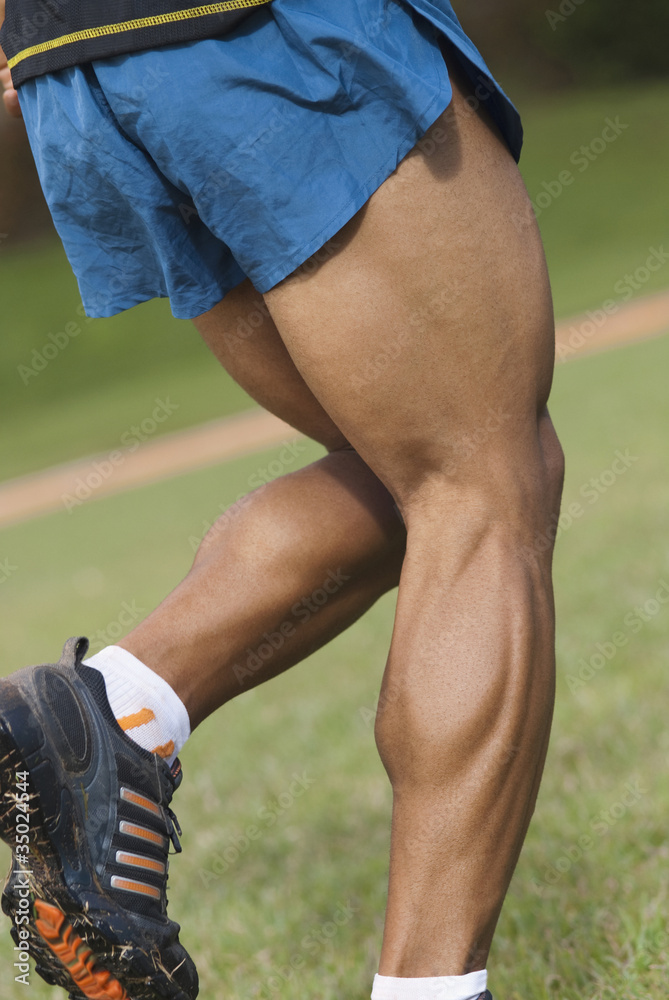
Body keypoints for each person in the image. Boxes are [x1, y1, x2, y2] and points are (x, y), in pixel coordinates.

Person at [0, 1, 565, 998]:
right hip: (257, 34)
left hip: (79, 68)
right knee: (479, 482)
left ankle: (115, 714)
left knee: (436, 462)